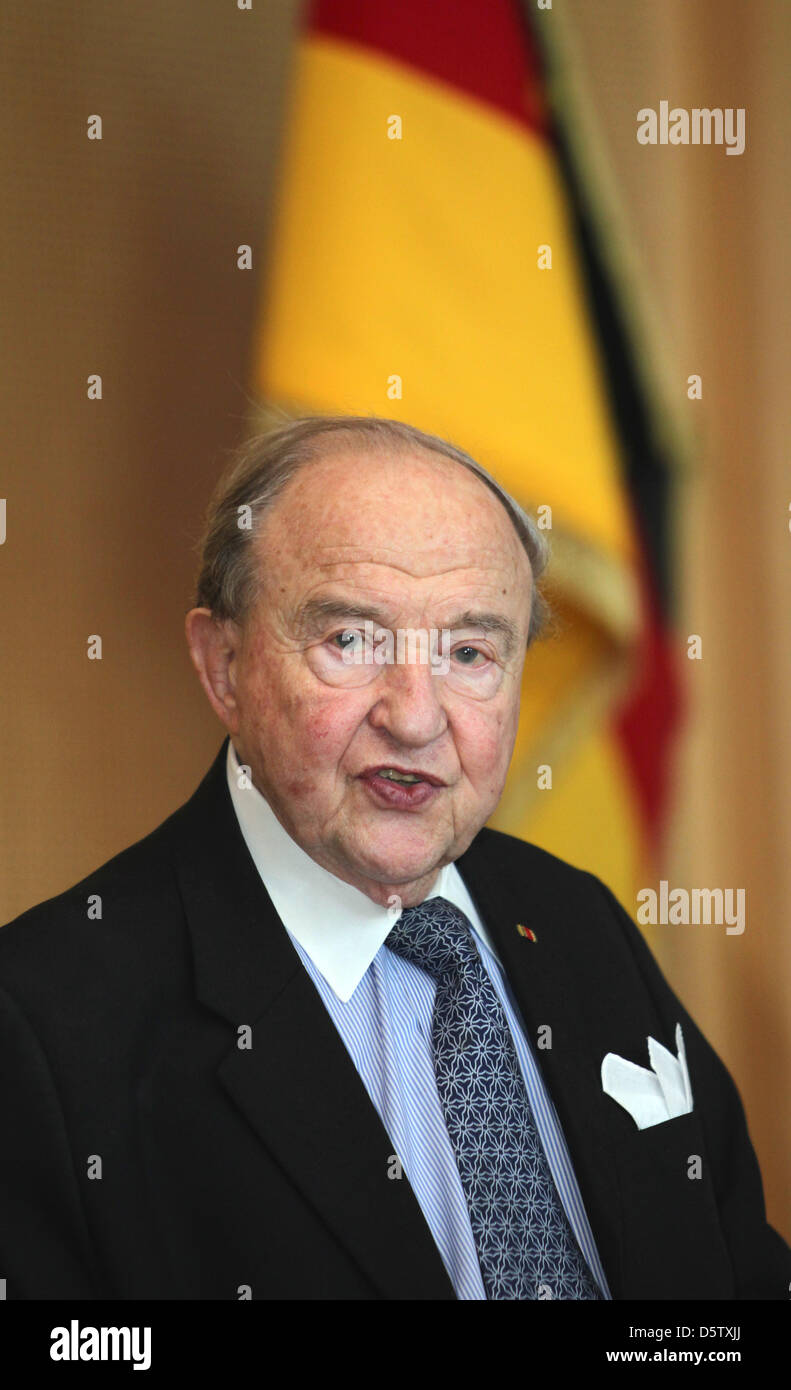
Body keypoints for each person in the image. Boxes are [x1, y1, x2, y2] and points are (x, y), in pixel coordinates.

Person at [0, 414, 788, 1300]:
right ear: (224, 666)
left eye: (468, 651)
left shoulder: (577, 922)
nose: (415, 717)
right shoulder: (42, 1025)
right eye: (351, 641)